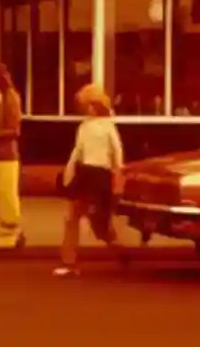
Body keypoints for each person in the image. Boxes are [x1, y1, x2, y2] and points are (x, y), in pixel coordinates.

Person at [55, 83, 129, 277]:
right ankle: (69, 262)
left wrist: (118, 174)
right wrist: (68, 173)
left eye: (87, 104)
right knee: (72, 216)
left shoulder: (108, 126)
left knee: (98, 223)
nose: (85, 109)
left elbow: (117, 151)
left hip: (100, 176)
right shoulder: (84, 127)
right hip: (85, 174)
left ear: (96, 105)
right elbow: (77, 152)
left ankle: (119, 249)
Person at [0, 62, 25, 249]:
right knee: (3, 192)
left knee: (7, 192)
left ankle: (11, 228)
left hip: (8, 152)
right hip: (0, 152)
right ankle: (7, 227)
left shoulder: (10, 98)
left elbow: (15, 130)